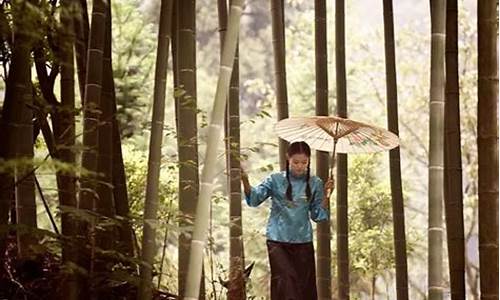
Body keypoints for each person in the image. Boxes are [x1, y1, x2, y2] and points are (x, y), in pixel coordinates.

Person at [240, 141, 334, 300]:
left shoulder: (315, 183)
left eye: (304, 162)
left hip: (303, 242)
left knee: (304, 289)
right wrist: (245, 180)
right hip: (278, 241)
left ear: (309, 161)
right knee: (286, 284)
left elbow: (318, 215)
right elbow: (255, 199)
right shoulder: (275, 180)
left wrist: (327, 195)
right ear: (287, 158)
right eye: (295, 162)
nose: (299, 166)